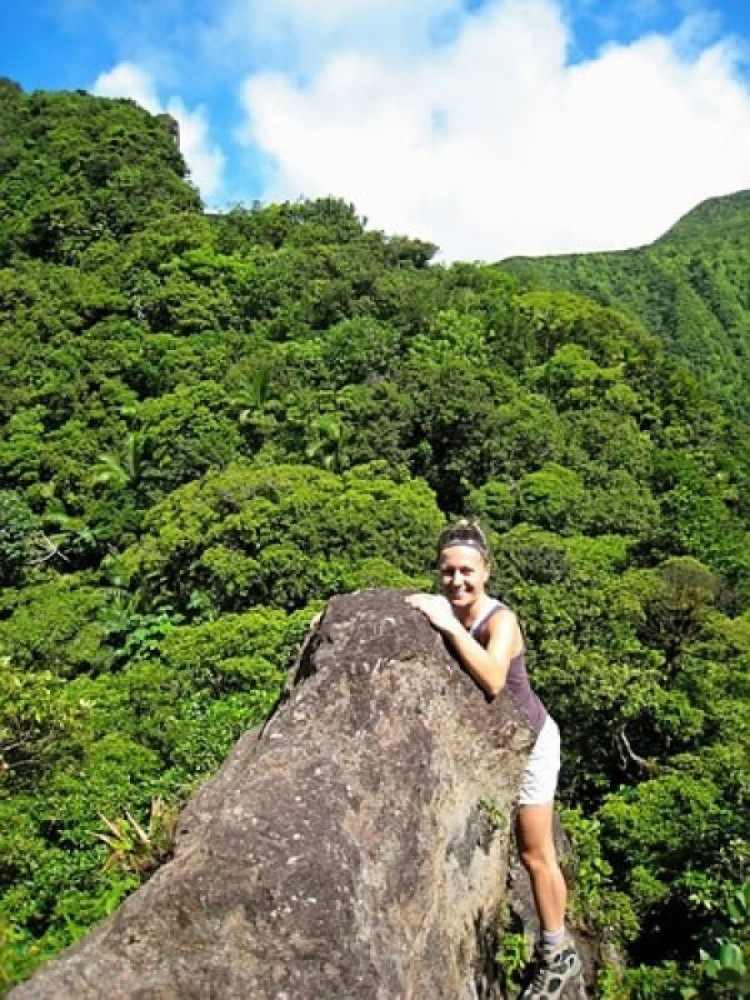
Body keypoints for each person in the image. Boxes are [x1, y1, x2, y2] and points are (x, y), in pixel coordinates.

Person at [406, 519, 581, 1000]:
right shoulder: (451, 611)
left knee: (534, 851)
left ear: (486, 572)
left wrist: (445, 623)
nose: (456, 582)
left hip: (533, 744)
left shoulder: (498, 621)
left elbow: (492, 679)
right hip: (498, 746)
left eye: (466, 572)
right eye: (447, 573)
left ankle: (557, 951)